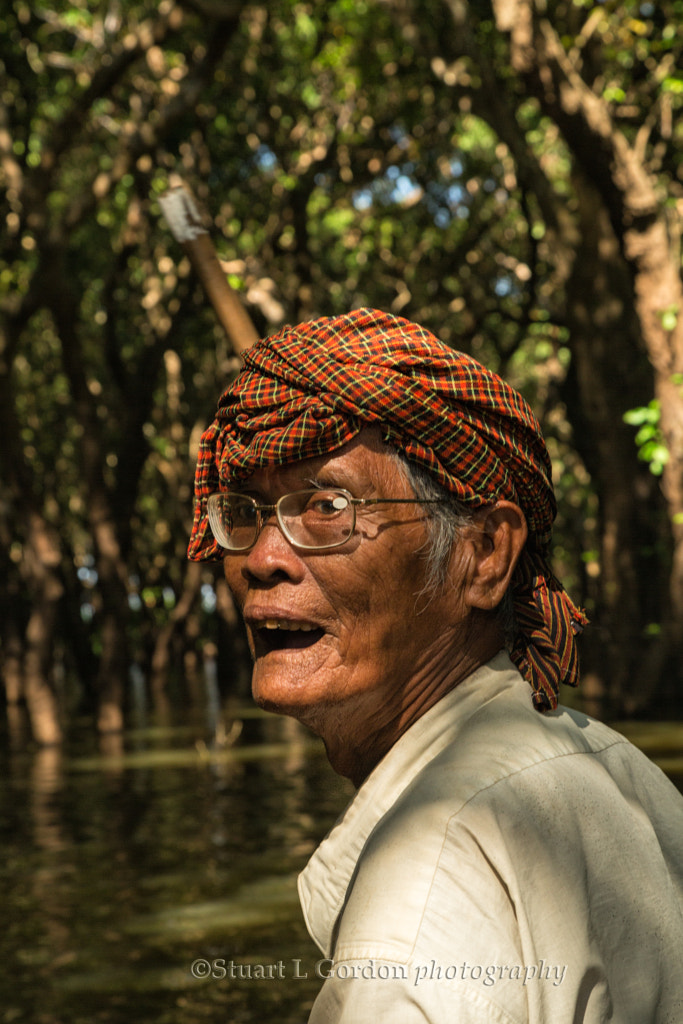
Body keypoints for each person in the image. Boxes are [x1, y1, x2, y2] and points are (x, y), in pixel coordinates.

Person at [188, 308, 683, 1023]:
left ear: (483, 555)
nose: (262, 559)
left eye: (327, 506)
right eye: (245, 509)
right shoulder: (614, 768)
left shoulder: (429, 874)